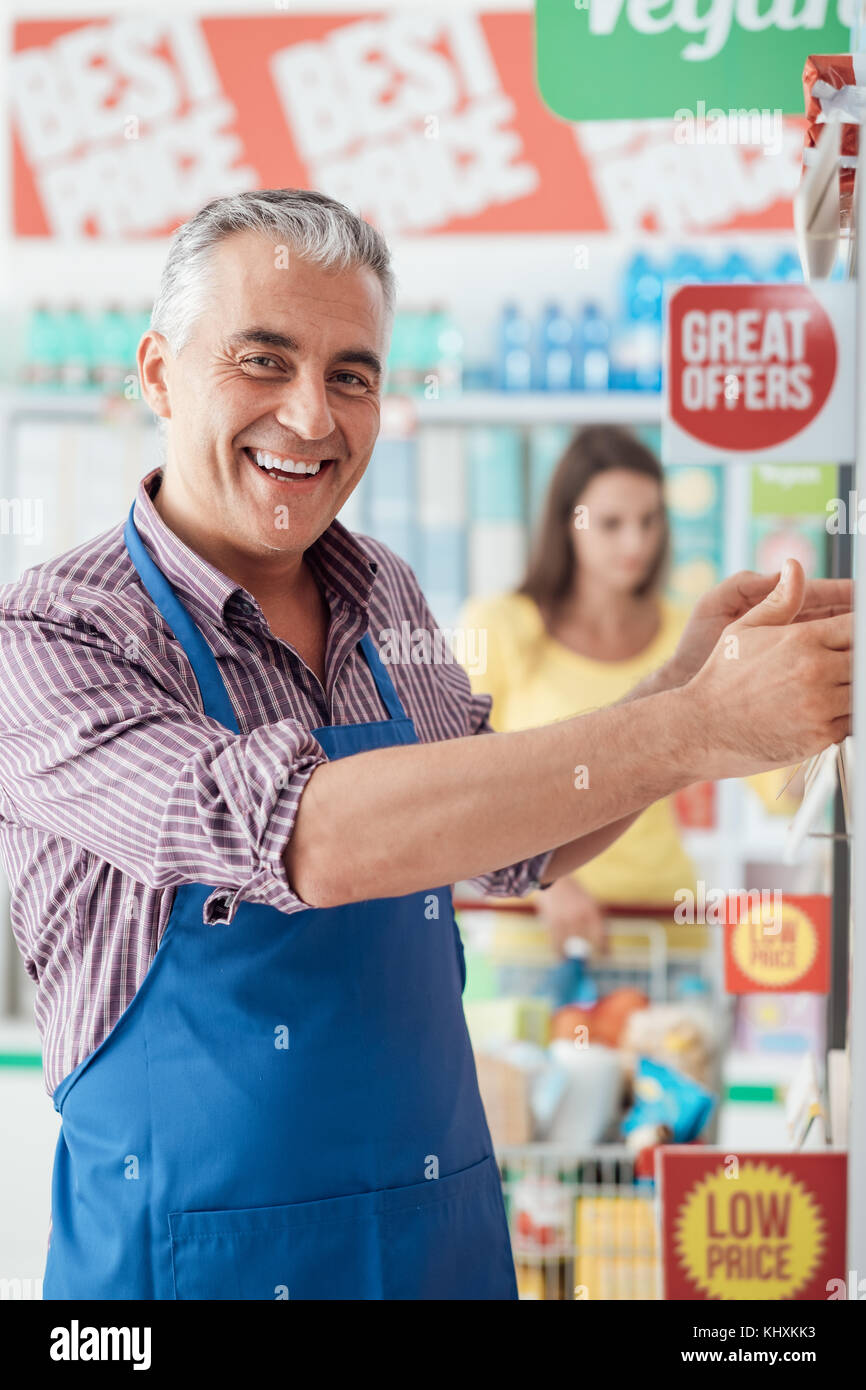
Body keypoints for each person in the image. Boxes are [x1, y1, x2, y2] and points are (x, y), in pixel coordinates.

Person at [0, 189, 851, 1302]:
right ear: (157, 372)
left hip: (437, 1246)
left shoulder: (381, 589)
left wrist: (684, 678)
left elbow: (510, 850)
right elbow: (302, 837)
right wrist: (690, 725)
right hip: (191, 1271)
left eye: (351, 374)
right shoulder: (55, 634)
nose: (311, 417)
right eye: (262, 360)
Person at [460, 425, 699, 955]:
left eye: (649, 520)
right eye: (611, 523)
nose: (635, 543)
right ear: (569, 522)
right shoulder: (499, 626)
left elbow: (775, 774)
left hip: (663, 923)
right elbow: (458, 784)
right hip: (537, 931)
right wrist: (548, 880)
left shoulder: (691, 632)